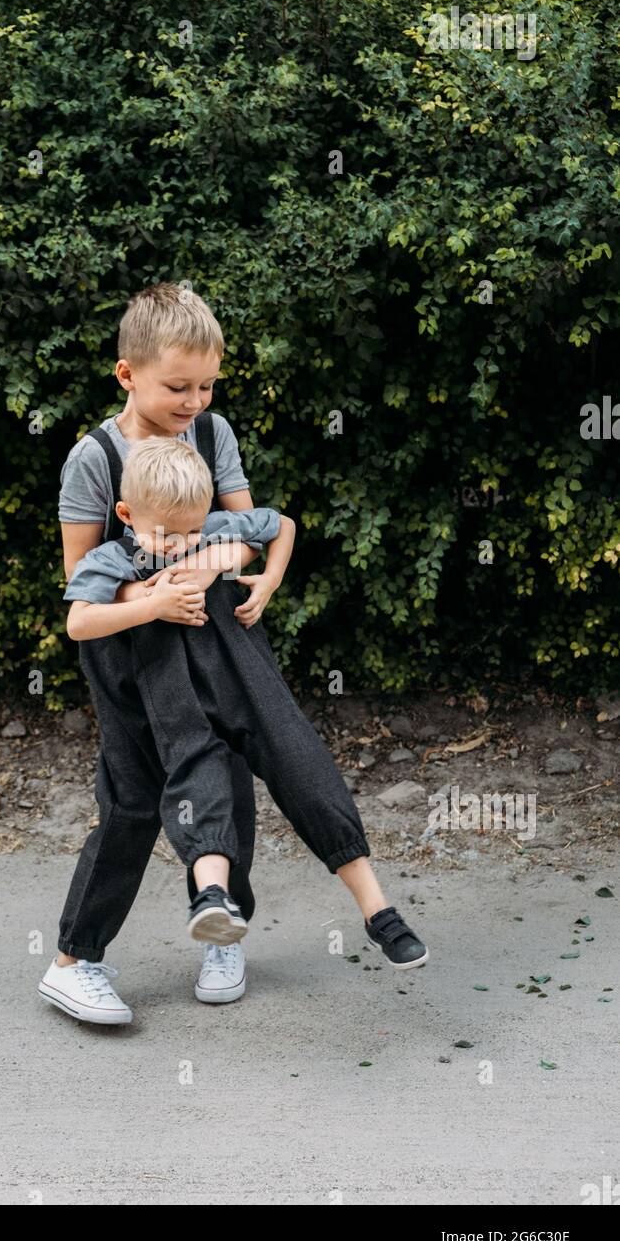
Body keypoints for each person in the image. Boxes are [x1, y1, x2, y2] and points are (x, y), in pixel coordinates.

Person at [39, 436, 428, 1026]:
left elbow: (278, 525)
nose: (181, 547)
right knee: (187, 777)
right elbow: (79, 618)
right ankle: (183, 913)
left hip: (228, 654)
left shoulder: (209, 479)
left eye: (191, 533)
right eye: (167, 537)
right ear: (126, 515)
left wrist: (269, 576)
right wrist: (152, 603)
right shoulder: (112, 543)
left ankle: (377, 911)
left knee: (298, 758)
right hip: (155, 673)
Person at [52, 282, 288, 1014]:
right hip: (128, 652)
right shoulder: (94, 456)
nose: (194, 402)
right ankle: (73, 959)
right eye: (178, 386)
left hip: (210, 640)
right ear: (128, 374)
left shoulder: (214, 436)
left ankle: (224, 931)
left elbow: (244, 536)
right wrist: (153, 599)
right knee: (130, 800)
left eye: (208, 385)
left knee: (224, 779)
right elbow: (80, 580)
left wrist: (239, 574)